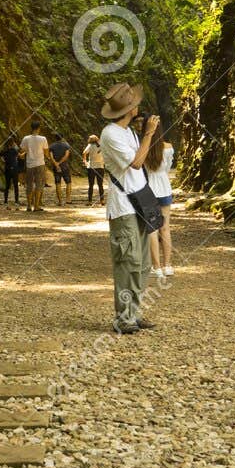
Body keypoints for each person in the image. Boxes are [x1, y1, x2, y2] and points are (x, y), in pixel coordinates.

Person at [98, 84, 160, 334]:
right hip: (123, 206)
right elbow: (136, 163)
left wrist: (146, 135)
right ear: (130, 109)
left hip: (139, 202)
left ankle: (133, 312)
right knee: (128, 261)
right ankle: (123, 318)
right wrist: (149, 134)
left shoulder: (129, 133)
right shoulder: (110, 134)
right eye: (135, 103)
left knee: (143, 263)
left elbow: (146, 161)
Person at [145, 121, 176, 278]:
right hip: (164, 188)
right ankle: (167, 265)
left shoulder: (143, 147)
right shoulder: (169, 148)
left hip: (149, 189)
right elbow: (168, 167)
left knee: (152, 228)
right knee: (165, 227)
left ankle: (156, 267)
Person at [21, 121, 49, 212]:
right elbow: (46, 151)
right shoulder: (43, 139)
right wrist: (47, 156)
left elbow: (23, 149)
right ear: (38, 128)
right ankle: (36, 206)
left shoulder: (26, 138)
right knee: (39, 185)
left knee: (29, 185)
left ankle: (29, 205)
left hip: (29, 164)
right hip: (40, 163)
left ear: (31, 128)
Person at [48, 132, 72, 206]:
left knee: (58, 183)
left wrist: (56, 163)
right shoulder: (66, 145)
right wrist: (60, 162)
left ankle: (60, 201)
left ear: (55, 138)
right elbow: (66, 155)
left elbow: (51, 156)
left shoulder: (52, 146)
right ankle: (68, 199)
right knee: (68, 182)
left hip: (56, 167)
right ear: (62, 137)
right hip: (65, 166)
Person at [83, 134, 105, 206]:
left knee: (91, 185)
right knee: (100, 185)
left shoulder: (90, 146)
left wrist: (85, 161)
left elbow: (84, 153)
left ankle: (90, 201)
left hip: (91, 167)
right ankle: (102, 200)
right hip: (100, 167)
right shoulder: (101, 146)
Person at [0, 134, 22, 206]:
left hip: (7, 169)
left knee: (7, 185)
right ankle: (16, 201)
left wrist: (4, 160)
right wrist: (26, 152)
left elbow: (0, 156)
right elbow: (20, 156)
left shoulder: (4, 151)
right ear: (12, 143)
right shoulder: (14, 150)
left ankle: (6, 201)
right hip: (14, 169)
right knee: (16, 185)